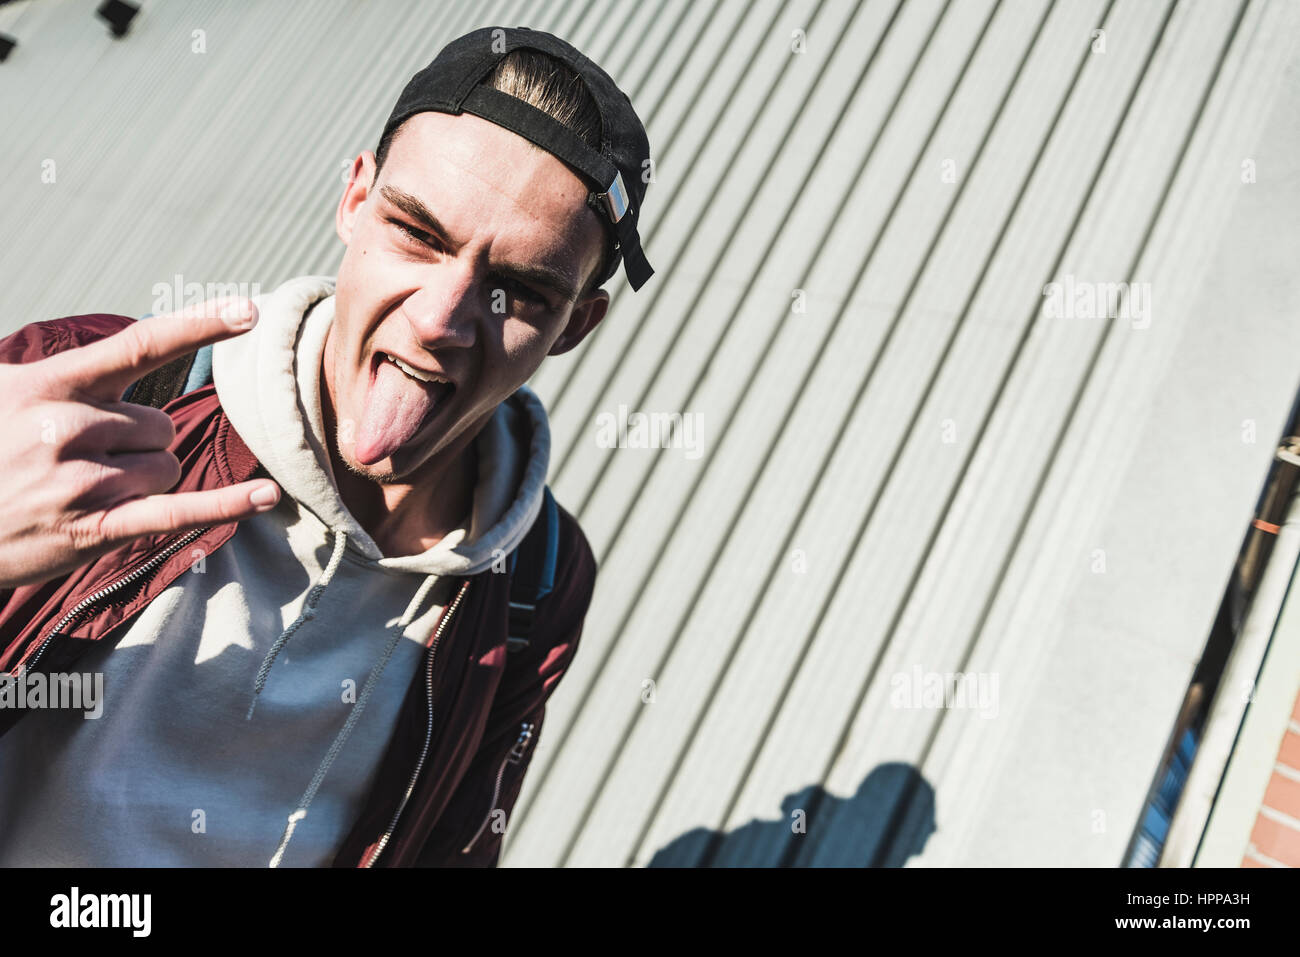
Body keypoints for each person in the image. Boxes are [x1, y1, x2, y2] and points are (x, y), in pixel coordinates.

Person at [0, 25, 654, 867]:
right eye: (419, 232)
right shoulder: (83, 388)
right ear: (353, 199)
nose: (439, 320)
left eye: (518, 291)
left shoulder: (537, 577)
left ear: (574, 328)